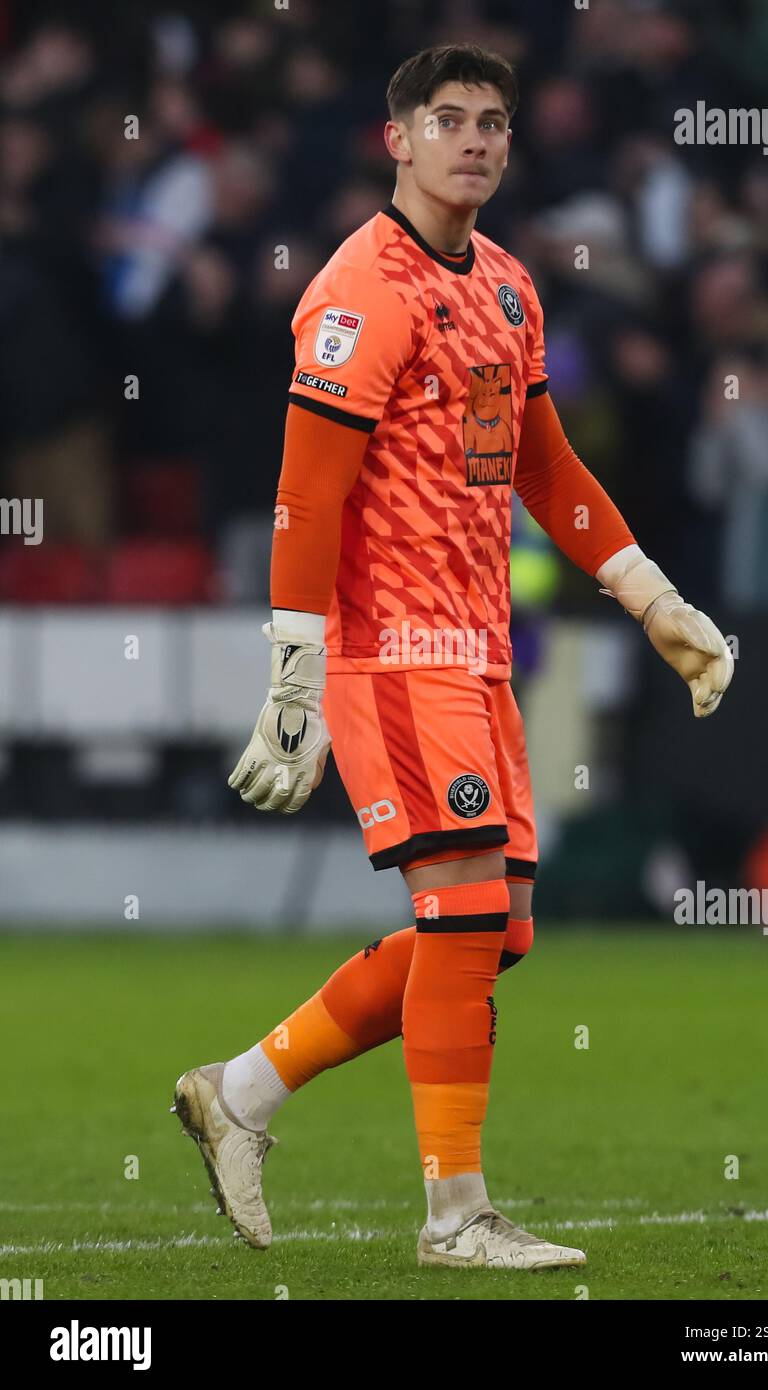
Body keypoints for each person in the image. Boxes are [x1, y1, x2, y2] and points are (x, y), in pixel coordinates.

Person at [172, 43, 733, 1272]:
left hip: (476, 655)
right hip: (391, 653)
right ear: (398, 139)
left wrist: (649, 595)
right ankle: (454, 1213)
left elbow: (546, 470)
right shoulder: (358, 289)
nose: (475, 140)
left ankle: (243, 1092)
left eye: (493, 122)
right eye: (448, 120)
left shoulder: (510, 289)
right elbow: (304, 498)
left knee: (495, 930)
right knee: (467, 910)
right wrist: (293, 676)